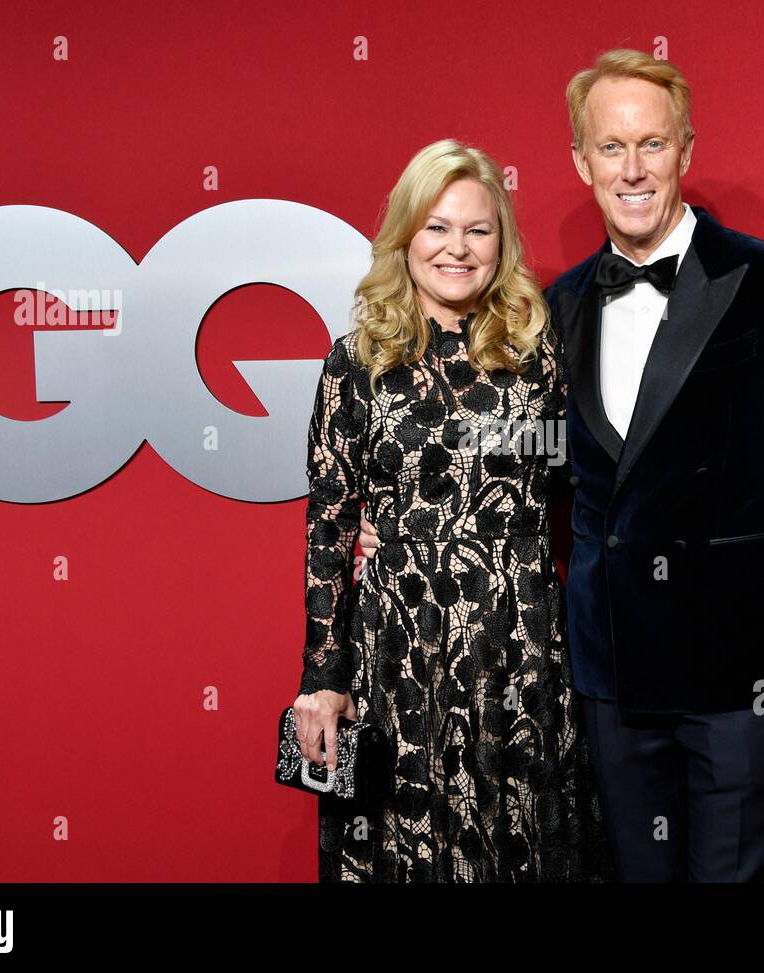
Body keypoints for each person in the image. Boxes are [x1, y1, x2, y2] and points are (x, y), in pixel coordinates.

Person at [359, 50, 764, 882]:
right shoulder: (554, 309)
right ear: (581, 161)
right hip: (611, 676)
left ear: (685, 150)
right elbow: (529, 466)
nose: (632, 169)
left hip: (743, 672)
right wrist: (404, 523)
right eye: (611, 147)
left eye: (651, 144)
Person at [292, 138, 612, 882]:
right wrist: (322, 677)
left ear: (502, 242)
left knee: (519, 839)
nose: (457, 249)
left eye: (478, 229)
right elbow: (329, 529)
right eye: (436, 227)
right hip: (397, 649)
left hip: (520, 641)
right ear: (405, 236)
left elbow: (588, 484)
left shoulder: (543, 354)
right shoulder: (355, 362)